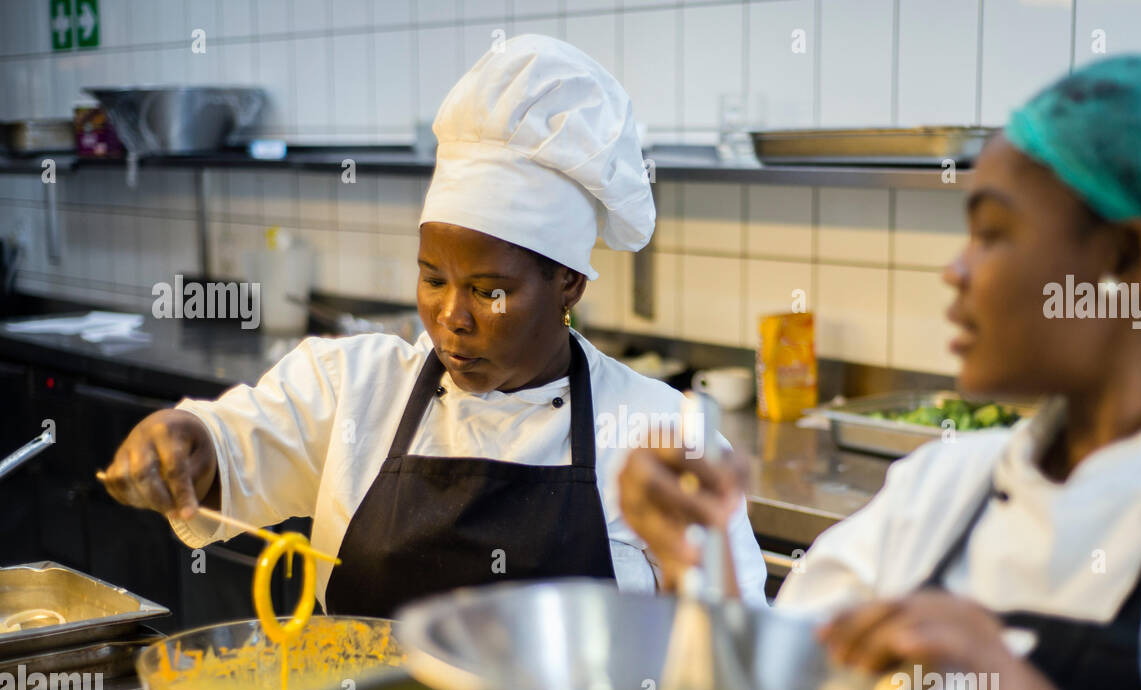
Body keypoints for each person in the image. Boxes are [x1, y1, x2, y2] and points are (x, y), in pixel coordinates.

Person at [618, 55, 1141, 690]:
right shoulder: (947, 485)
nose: (955, 269)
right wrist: (695, 562)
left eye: (991, 232)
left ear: (1122, 262)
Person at [99, 35, 767, 617]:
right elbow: (227, 455)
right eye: (433, 278)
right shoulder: (355, 388)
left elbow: (744, 668)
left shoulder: (657, 434)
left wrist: (699, 571)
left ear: (569, 282)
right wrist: (184, 442)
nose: (452, 316)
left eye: (488, 289)